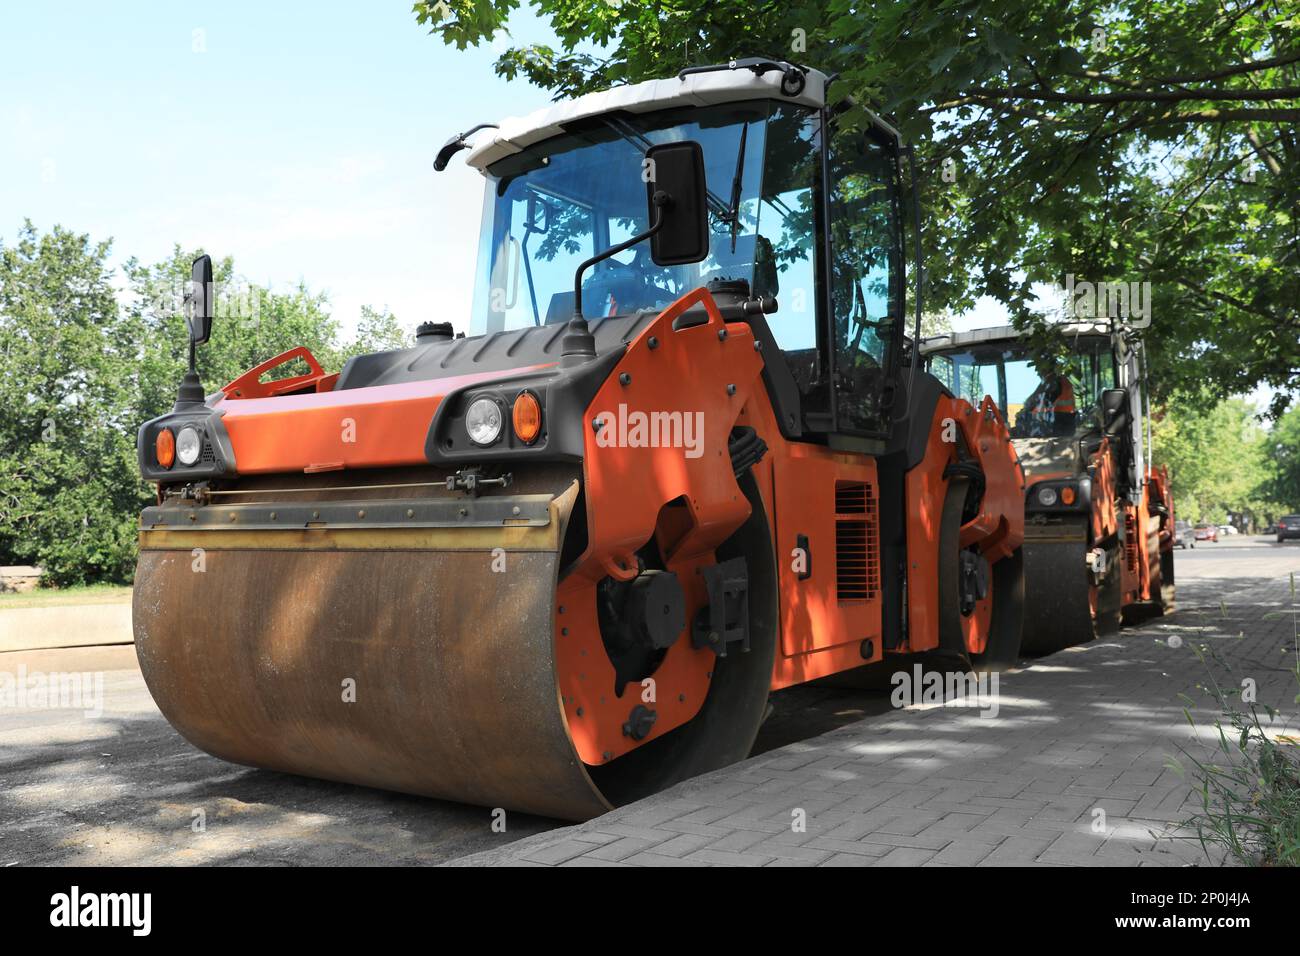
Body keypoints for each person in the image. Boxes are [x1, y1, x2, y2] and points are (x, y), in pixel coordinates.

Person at [1024, 370, 1077, 436]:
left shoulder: (1051, 380)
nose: (1038, 374)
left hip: (1060, 419)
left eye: (1039, 370)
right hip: (1068, 417)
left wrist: (1027, 406)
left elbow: (1036, 397)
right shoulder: (1062, 379)